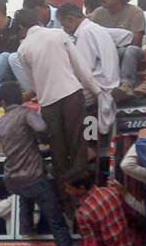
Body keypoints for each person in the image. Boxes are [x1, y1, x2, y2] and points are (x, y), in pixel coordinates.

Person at [0, 85, 78, 246]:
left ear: (2, 102)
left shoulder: (1, 123)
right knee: (58, 225)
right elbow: (42, 128)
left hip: (12, 179)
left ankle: (26, 226)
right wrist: (44, 141)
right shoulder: (25, 113)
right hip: (33, 177)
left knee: (24, 196)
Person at [18, 12, 102, 192]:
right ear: (39, 22)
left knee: (58, 149)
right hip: (71, 94)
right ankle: (82, 177)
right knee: (78, 140)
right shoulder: (58, 34)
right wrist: (98, 93)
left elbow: (33, 83)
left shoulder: (23, 49)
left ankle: (64, 188)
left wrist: (41, 94)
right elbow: (81, 68)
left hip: (48, 102)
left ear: (21, 29)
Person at [57, 2, 120, 135]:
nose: (64, 29)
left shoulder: (85, 33)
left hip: (98, 87)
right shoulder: (95, 29)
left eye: (64, 25)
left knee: (64, 104)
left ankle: (87, 146)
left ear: (71, 19)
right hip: (107, 83)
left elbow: (83, 71)